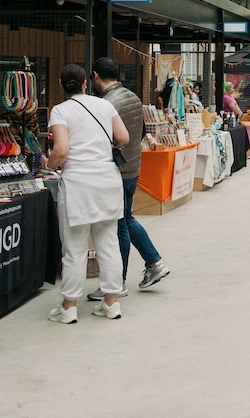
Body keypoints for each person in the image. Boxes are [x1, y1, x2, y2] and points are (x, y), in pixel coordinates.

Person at [46, 63, 128, 324]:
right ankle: (111, 302)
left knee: (74, 248)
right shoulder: (104, 105)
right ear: (85, 83)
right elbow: (123, 137)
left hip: (78, 183)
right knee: (108, 241)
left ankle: (69, 306)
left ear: (62, 84)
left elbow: (60, 151)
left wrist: (48, 165)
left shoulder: (60, 111)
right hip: (107, 180)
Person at [87, 58, 169, 302]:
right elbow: (142, 132)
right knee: (127, 218)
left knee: (119, 225)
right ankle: (154, 262)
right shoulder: (132, 97)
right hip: (133, 168)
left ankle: (117, 282)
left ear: (95, 76)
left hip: (116, 172)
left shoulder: (106, 104)